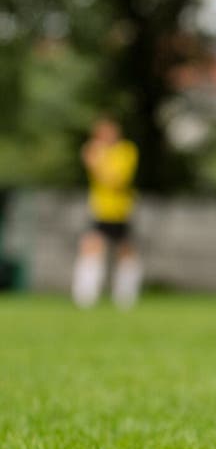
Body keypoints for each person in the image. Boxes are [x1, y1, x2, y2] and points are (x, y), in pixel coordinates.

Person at [72, 117, 142, 309]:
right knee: (91, 248)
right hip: (99, 208)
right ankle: (85, 297)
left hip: (121, 210)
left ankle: (126, 297)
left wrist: (97, 162)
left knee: (126, 252)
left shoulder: (126, 151)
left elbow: (116, 180)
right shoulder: (94, 151)